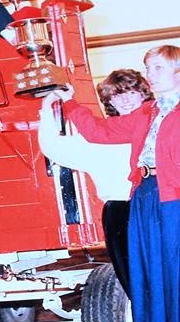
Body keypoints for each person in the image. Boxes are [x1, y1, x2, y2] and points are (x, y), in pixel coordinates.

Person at [51, 46, 180, 322]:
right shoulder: (147, 113)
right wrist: (70, 102)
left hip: (174, 199)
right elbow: (99, 132)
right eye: (148, 68)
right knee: (151, 281)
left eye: (157, 68)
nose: (150, 74)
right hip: (146, 196)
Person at [39, 69, 151, 294]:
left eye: (131, 92)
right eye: (117, 95)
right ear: (109, 102)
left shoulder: (156, 126)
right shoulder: (96, 138)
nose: (126, 99)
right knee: (134, 281)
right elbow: (53, 147)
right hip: (120, 212)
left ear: (143, 94)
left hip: (156, 205)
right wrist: (47, 107)